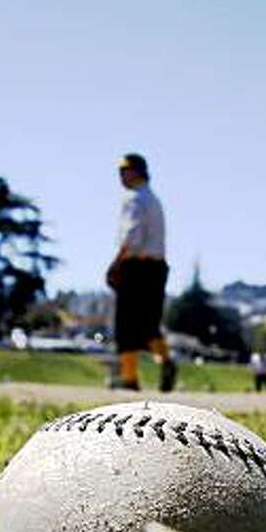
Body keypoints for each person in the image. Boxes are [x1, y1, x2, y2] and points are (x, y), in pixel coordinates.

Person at [106, 153, 176, 392]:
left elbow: (132, 238)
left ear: (136, 172)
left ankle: (129, 378)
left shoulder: (134, 199)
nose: (121, 176)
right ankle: (166, 361)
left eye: (124, 171)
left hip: (136, 265)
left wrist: (116, 264)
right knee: (149, 325)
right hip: (157, 267)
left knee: (125, 325)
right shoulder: (154, 200)